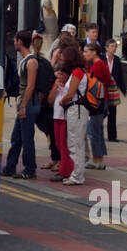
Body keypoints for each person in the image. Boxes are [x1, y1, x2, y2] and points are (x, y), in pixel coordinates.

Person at [2, 30, 41, 179]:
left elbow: (30, 86)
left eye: (15, 40)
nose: (13, 43)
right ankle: (10, 167)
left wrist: (23, 105)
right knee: (16, 137)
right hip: (24, 103)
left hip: (29, 104)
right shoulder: (25, 60)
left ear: (20, 41)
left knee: (27, 138)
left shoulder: (31, 62)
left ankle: (30, 169)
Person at [49, 48, 88, 185]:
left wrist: (62, 101)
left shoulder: (77, 72)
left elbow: (71, 93)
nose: (62, 59)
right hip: (75, 109)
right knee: (76, 143)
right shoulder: (78, 71)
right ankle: (77, 173)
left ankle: (77, 175)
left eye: (64, 56)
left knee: (74, 143)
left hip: (75, 109)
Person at [82, 42, 113, 170]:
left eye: (86, 51)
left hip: (97, 101)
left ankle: (96, 159)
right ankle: (99, 159)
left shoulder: (98, 65)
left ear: (94, 52)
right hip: (101, 100)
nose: (84, 54)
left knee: (93, 130)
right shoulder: (99, 64)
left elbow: (95, 85)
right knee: (97, 130)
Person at [31, 32, 57, 165]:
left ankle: (56, 158)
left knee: (49, 130)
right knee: (50, 131)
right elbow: (51, 79)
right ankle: (55, 158)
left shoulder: (32, 61)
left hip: (39, 101)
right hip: (46, 101)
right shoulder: (45, 62)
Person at [104, 38, 127, 142]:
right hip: (103, 89)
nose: (114, 49)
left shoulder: (117, 60)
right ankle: (93, 130)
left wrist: (123, 90)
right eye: (112, 46)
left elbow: (120, 75)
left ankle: (112, 136)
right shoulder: (101, 59)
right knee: (103, 111)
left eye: (115, 47)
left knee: (113, 112)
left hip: (113, 90)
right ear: (106, 48)